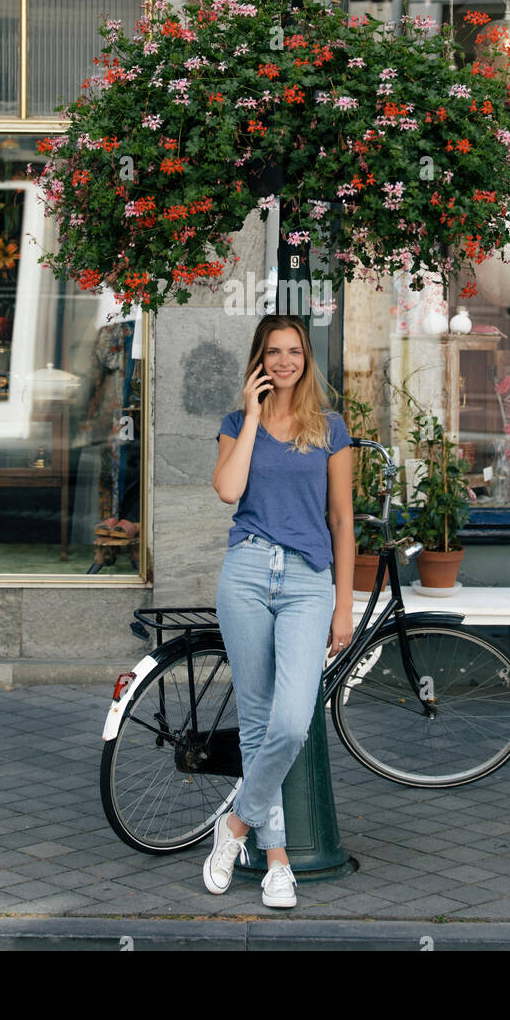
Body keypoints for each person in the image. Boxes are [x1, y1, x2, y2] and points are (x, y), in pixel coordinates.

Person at [203, 313, 354, 908]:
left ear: (306, 359)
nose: (285, 361)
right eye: (274, 352)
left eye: (294, 351)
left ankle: (234, 825)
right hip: (245, 573)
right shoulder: (239, 423)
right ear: (259, 360)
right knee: (259, 723)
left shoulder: (331, 429)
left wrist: (344, 606)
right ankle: (277, 862)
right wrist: (253, 415)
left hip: (307, 581)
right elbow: (228, 491)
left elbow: (342, 522)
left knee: (292, 721)